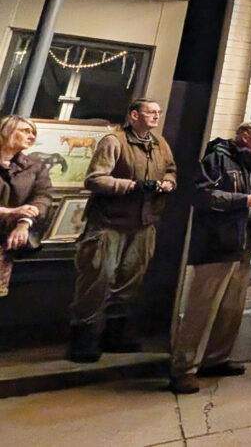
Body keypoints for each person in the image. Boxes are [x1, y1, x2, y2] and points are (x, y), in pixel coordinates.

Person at [169, 120, 251, 394]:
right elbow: (200, 195)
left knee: (231, 307)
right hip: (217, 243)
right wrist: (240, 200)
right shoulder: (217, 157)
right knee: (202, 308)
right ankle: (184, 368)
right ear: (245, 136)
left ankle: (216, 358)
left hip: (244, 243)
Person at [69, 98, 177, 362]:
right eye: (151, 112)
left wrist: (167, 183)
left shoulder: (160, 144)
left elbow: (171, 170)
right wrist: (131, 186)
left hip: (144, 223)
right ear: (134, 115)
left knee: (130, 281)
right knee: (97, 279)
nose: (156, 116)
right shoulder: (114, 141)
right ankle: (83, 338)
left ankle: (115, 334)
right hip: (109, 223)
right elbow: (94, 179)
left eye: (159, 112)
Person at [0, 116, 52, 298]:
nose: (31, 136)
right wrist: (11, 211)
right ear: (6, 131)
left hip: (4, 242)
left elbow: (42, 197)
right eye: (24, 131)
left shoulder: (34, 167)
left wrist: (24, 223)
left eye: (33, 133)